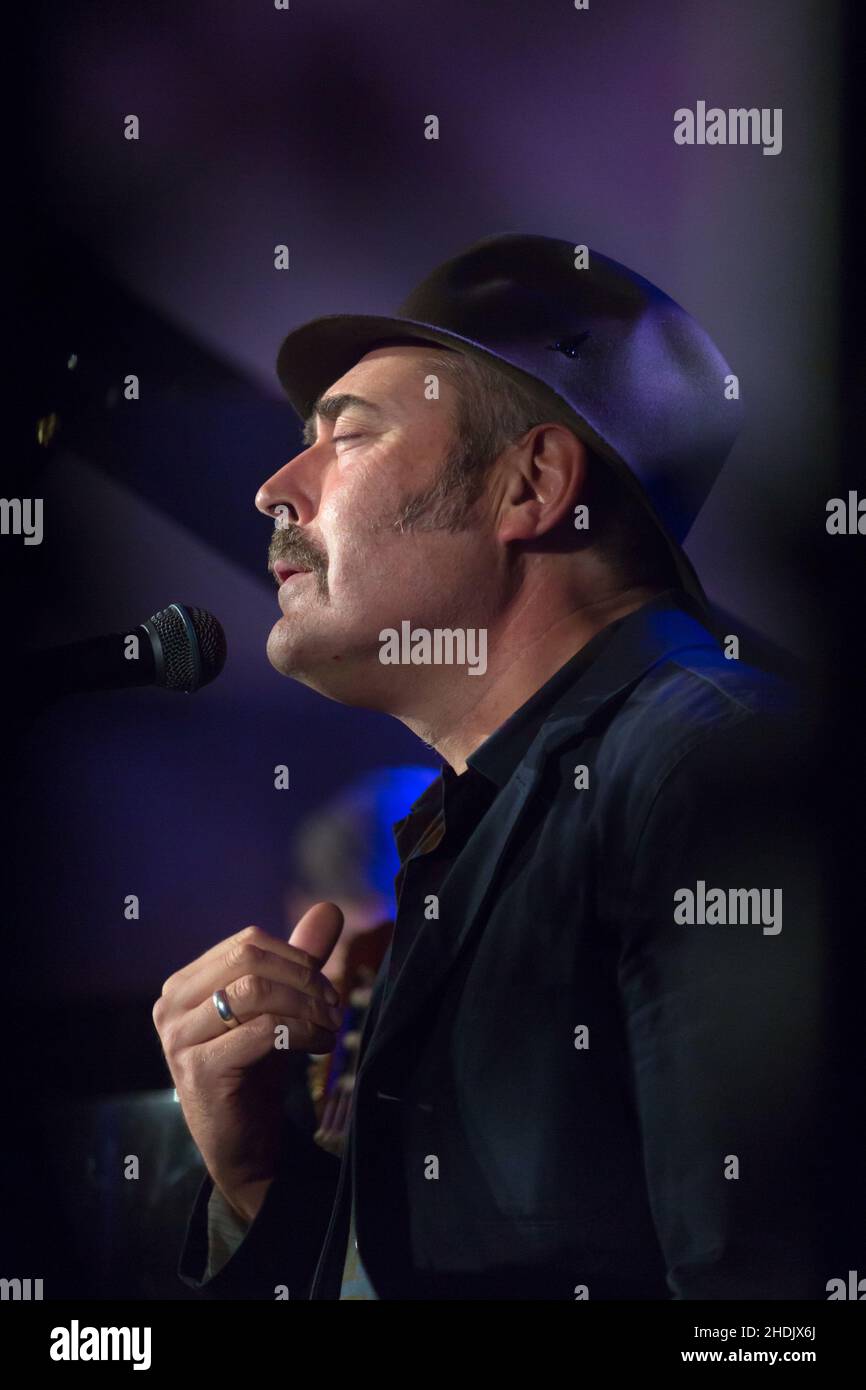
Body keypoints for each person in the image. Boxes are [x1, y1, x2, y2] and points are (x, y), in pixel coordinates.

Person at [154, 233, 827, 1299]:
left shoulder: (704, 771)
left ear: (532, 485)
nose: (274, 490)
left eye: (348, 437)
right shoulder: (484, 816)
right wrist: (254, 1187)